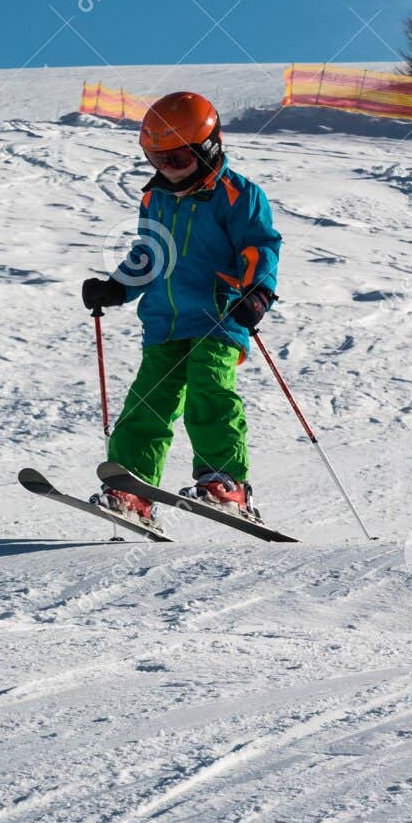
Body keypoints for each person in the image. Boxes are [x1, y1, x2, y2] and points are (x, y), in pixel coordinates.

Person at [81, 91, 281, 525]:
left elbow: (259, 245)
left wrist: (258, 291)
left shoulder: (238, 195)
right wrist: (115, 288)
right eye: (157, 160)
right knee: (147, 402)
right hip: (164, 321)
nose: (167, 170)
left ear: (208, 148)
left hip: (219, 316)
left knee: (209, 390)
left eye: (177, 160)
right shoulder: (155, 200)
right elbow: (150, 255)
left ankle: (226, 482)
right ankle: (131, 487)